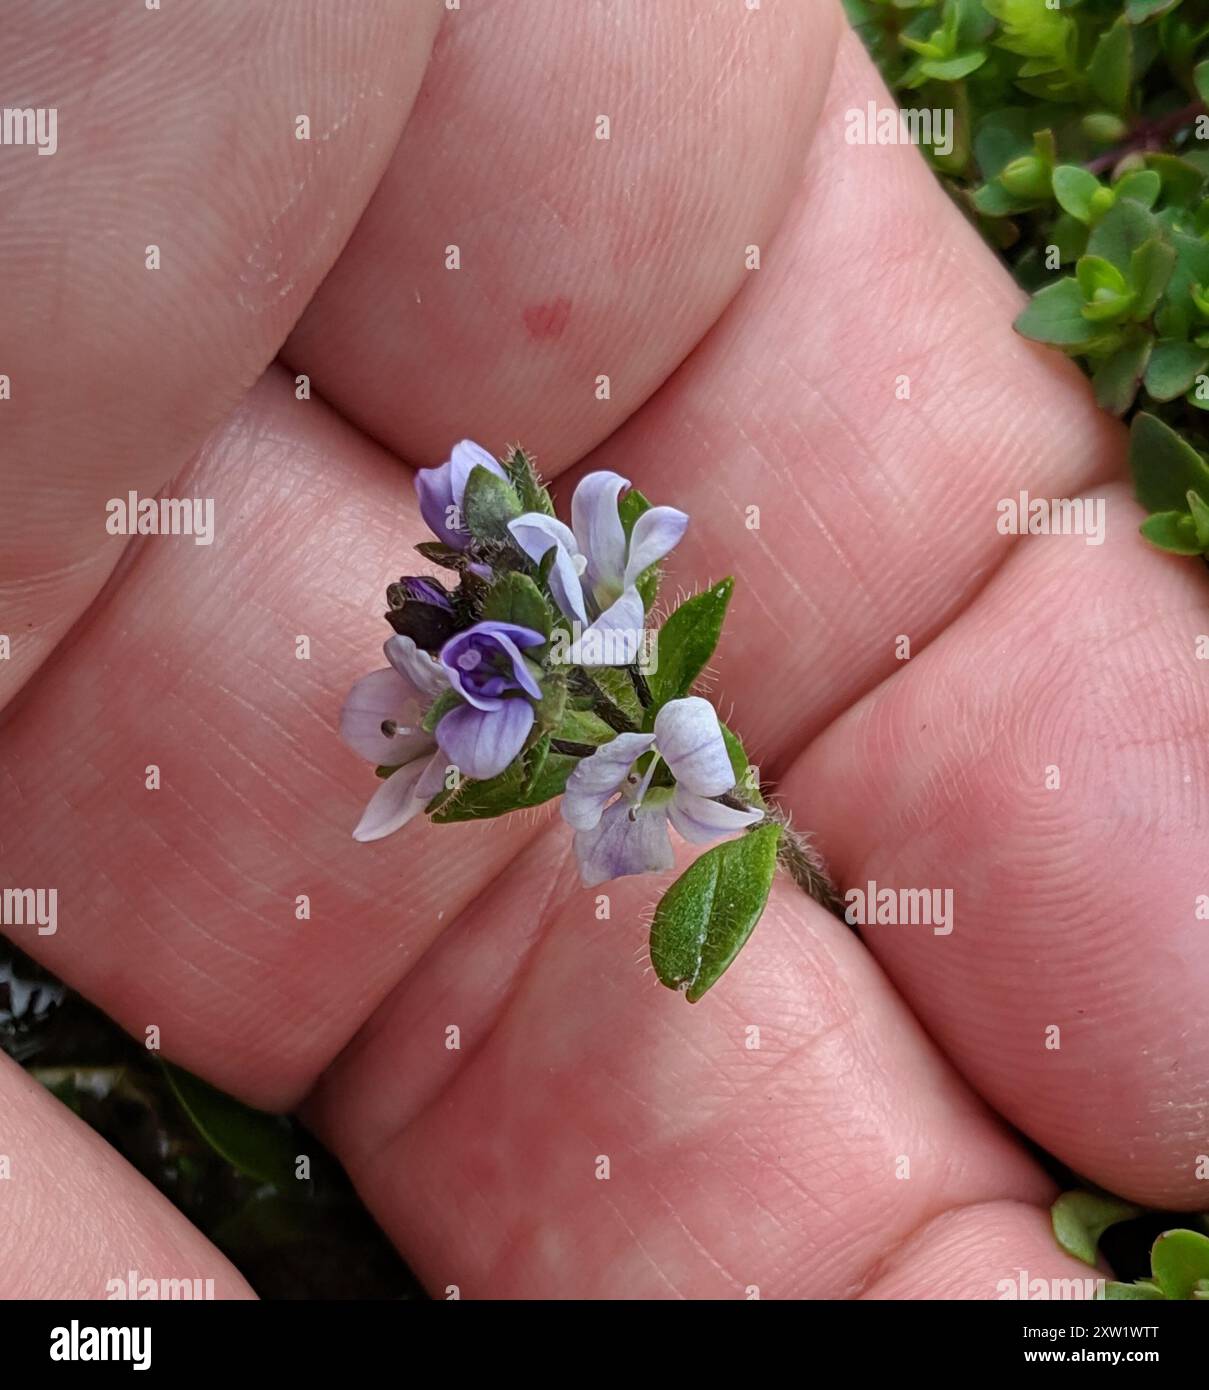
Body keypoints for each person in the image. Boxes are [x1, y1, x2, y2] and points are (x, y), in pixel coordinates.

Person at [0, 0, 1197, 1299]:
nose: (455, 698)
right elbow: (602, 747)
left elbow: (645, 696)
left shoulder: (605, 660)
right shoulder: (557, 737)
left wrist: (613, 711)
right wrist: (584, 737)